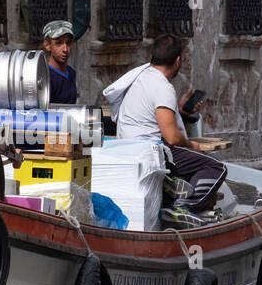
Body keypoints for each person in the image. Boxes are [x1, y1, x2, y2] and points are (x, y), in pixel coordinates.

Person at [103, 34, 225, 213]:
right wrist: (193, 145)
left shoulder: (142, 77)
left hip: (129, 147)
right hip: (148, 152)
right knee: (216, 166)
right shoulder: (162, 87)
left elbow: (156, 117)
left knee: (191, 162)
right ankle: (185, 207)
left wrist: (180, 111)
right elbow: (172, 137)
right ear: (177, 61)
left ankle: (171, 194)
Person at [41, 20, 77, 104]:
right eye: (58, 43)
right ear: (47, 45)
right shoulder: (45, 78)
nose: (65, 49)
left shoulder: (71, 73)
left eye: (68, 43)